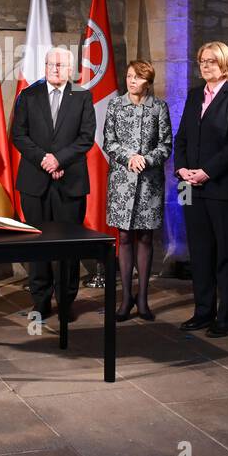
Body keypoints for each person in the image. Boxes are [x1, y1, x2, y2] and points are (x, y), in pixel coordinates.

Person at [11, 46, 96, 322]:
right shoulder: (29, 95)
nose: (56, 69)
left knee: (67, 247)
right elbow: (18, 135)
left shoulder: (83, 96)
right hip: (35, 184)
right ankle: (40, 301)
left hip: (70, 183)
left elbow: (86, 137)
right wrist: (45, 160)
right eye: (51, 64)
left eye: (61, 65)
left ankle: (66, 301)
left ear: (70, 69)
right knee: (37, 245)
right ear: (45, 66)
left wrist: (59, 160)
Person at [173, 42, 228, 336]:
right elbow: (182, 137)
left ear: (225, 63)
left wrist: (206, 172)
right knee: (201, 252)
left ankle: (227, 317)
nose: (205, 66)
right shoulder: (195, 96)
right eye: (202, 61)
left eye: (211, 61)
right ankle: (203, 311)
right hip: (191, 187)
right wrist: (181, 169)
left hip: (222, 186)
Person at [102, 60, 172, 321]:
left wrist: (147, 160)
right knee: (125, 237)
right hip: (122, 181)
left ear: (148, 82)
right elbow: (109, 141)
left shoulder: (159, 108)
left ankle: (142, 298)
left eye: (137, 77)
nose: (132, 81)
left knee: (144, 237)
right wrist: (129, 157)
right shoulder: (115, 105)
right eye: (129, 76)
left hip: (149, 183)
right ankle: (125, 298)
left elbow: (166, 145)